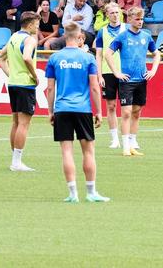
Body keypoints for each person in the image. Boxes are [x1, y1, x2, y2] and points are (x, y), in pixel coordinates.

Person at [45, 22, 109, 203]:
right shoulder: (87, 58)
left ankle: (73, 194)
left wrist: (50, 111)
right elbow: (94, 87)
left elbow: (50, 88)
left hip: (62, 109)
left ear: (64, 36)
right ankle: (91, 192)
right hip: (83, 109)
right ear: (79, 36)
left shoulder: (54, 58)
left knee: (66, 152)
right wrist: (99, 111)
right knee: (88, 151)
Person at [105, 6, 160, 157]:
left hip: (141, 80)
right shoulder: (122, 36)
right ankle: (125, 146)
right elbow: (108, 54)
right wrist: (116, 72)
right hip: (127, 81)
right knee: (126, 113)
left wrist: (153, 70)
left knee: (136, 112)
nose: (140, 22)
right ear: (129, 19)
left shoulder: (146, 36)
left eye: (142, 19)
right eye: (137, 19)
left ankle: (133, 143)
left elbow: (157, 54)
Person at [0, 11, 40, 172]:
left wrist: (11, 74)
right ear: (30, 24)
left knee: (15, 122)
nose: (37, 27)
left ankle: (15, 159)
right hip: (25, 85)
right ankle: (16, 162)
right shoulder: (30, 39)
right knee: (24, 123)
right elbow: (27, 57)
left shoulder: (13, 37)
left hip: (13, 84)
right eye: (36, 24)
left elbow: (0, 58)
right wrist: (34, 75)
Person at [93, 2, 126, 149]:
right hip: (107, 72)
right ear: (107, 15)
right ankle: (114, 139)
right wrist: (99, 75)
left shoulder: (127, 29)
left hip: (125, 71)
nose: (115, 15)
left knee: (127, 107)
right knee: (111, 106)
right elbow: (99, 55)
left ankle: (128, 138)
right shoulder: (102, 32)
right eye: (112, 13)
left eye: (117, 12)